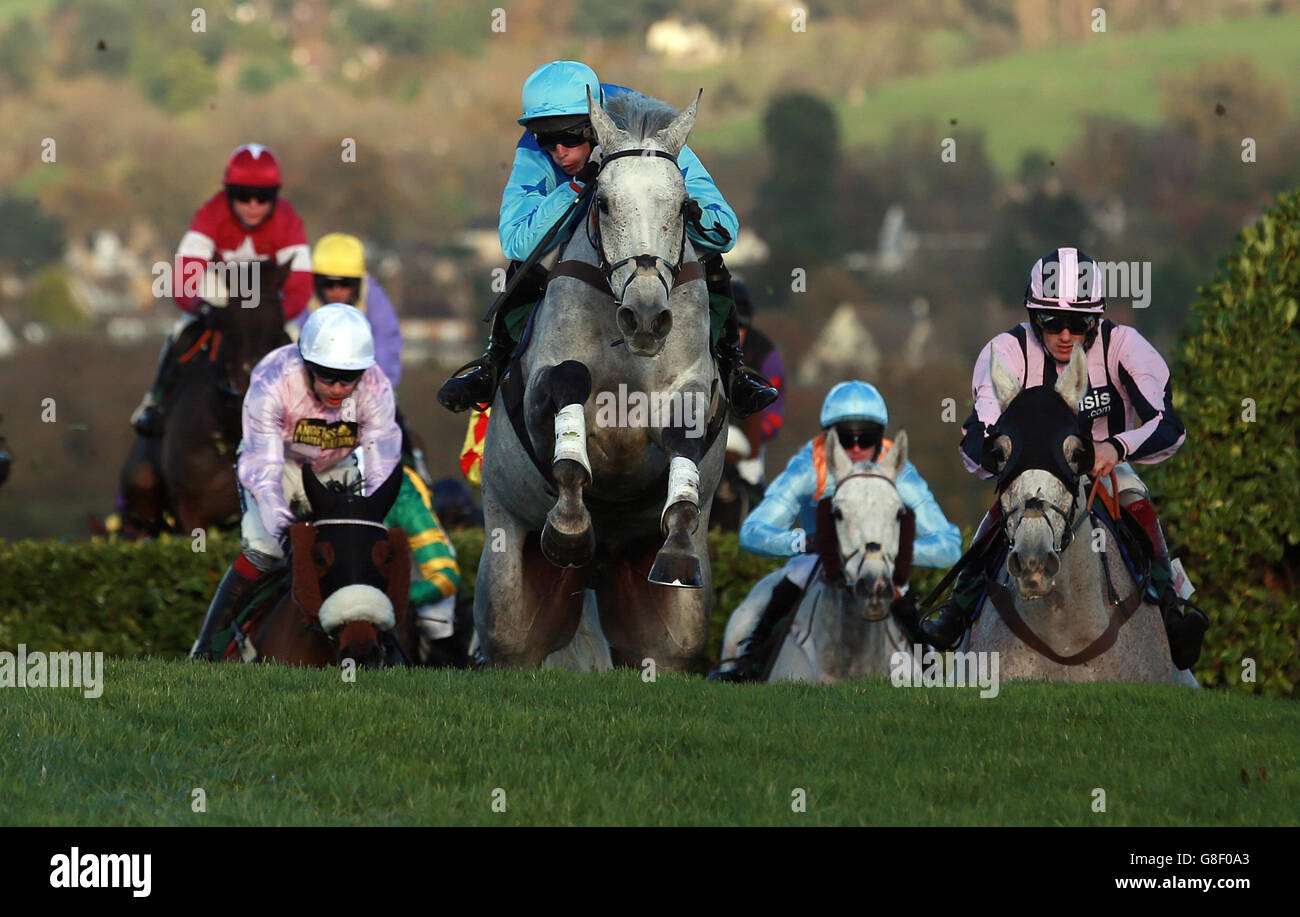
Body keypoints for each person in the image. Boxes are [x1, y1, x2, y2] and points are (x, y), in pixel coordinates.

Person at [918, 247, 1209, 670]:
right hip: (1034, 469)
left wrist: (1116, 447)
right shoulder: (1007, 350)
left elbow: (1169, 427)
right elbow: (977, 435)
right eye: (1052, 322)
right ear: (1033, 315)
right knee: (1004, 510)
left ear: (1099, 318)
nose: (1067, 335)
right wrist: (1005, 460)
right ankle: (960, 606)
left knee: (1137, 502)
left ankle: (1172, 607)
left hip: (1103, 467)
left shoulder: (1123, 344)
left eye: (1081, 323)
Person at [436, 60, 777, 419]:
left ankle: (732, 368)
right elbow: (517, 241)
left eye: (569, 137)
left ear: (594, 127)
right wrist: (578, 184)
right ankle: (494, 364)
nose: (558, 151)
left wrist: (689, 211)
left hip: (653, 246)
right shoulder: (533, 151)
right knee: (529, 260)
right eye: (545, 138)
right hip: (582, 239)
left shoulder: (655, 134)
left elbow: (725, 232)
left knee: (708, 256)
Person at [710, 381, 963, 680]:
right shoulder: (809, 462)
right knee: (783, 585)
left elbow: (949, 546)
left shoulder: (897, 469)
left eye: (865, 437)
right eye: (845, 438)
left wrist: (889, 553)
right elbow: (753, 532)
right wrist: (802, 542)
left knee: (905, 602)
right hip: (815, 560)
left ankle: (931, 673)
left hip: (879, 566)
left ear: (880, 437)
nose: (856, 448)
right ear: (828, 438)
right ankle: (748, 664)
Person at [189, 303, 401, 659]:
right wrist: (285, 528)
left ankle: (385, 650)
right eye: (325, 374)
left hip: (336, 467)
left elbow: (382, 465)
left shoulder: (377, 388)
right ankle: (206, 648)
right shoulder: (273, 379)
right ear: (306, 364)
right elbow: (264, 468)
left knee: (357, 548)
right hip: (277, 463)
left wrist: (369, 522)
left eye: (348, 378)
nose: (337, 387)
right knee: (265, 550)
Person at [131, 143, 312, 437]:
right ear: (228, 194)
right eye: (242, 196)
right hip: (221, 289)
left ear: (276, 196)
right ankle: (155, 401)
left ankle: (307, 414)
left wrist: (278, 313)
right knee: (183, 332)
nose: (253, 205)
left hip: (265, 298)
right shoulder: (210, 213)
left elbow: (301, 287)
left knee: (297, 340)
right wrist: (200, 308)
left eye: (264, 197)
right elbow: (184, 279)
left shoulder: (289, 220)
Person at [303, 232, 431, 484]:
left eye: (345, 283)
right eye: (328, 283)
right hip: (314, 394)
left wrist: (368, 390)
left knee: (397, 428)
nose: (336, 291)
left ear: (359, 283)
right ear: (316, 282)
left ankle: (415, 475)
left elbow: (387, 346)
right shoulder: (302, 305)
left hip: (363, 393)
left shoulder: (375, 299)